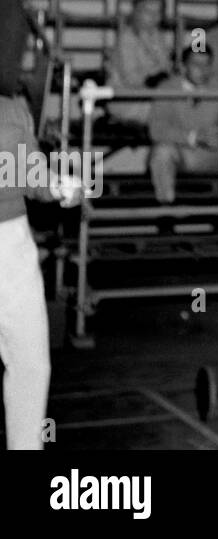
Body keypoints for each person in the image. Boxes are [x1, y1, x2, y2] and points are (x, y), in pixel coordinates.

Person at [0, 91, 81, 449]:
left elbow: (28, 170)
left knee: (32, 361)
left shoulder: (13, 103)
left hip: (13, 239)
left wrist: (56, 186)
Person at [148, 47, 218, 202]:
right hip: (182, 152)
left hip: (214, 152)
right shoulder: (166, 88)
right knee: (161, 152)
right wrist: (194, 137)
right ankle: (166, 210)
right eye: (196, 64)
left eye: (207, 64)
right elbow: (156, 130)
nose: (203, 70)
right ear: (183, 67)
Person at [107, 0, 173, 126]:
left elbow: (166, 68)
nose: (154, 17)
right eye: (148, 12)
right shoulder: (126, 38)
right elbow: (131, 79)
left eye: (158, 12)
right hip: (127, 99)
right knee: (170, 113)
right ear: (136, 12)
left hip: (153, 96)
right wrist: (155, 78)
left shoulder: (158, 37)